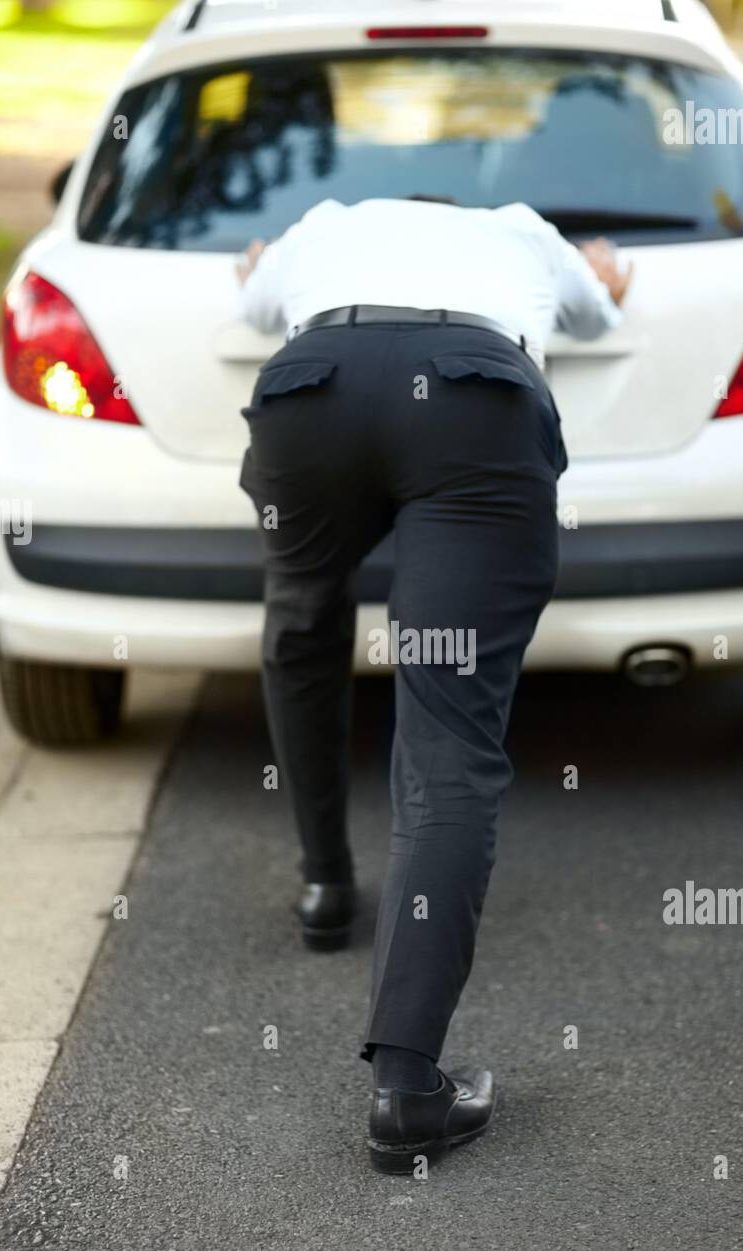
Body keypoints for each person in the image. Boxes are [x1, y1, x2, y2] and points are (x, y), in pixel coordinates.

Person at [237, 196, 630, 1173]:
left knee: (302, 622)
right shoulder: (521, 228)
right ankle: (406, 1088)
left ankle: (326, 884)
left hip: (311, 394)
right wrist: (605, 273)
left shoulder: (325, 223)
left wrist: (258, 266)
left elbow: (251, 297)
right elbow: (597, 312)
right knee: (446, 733)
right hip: (471, 405)